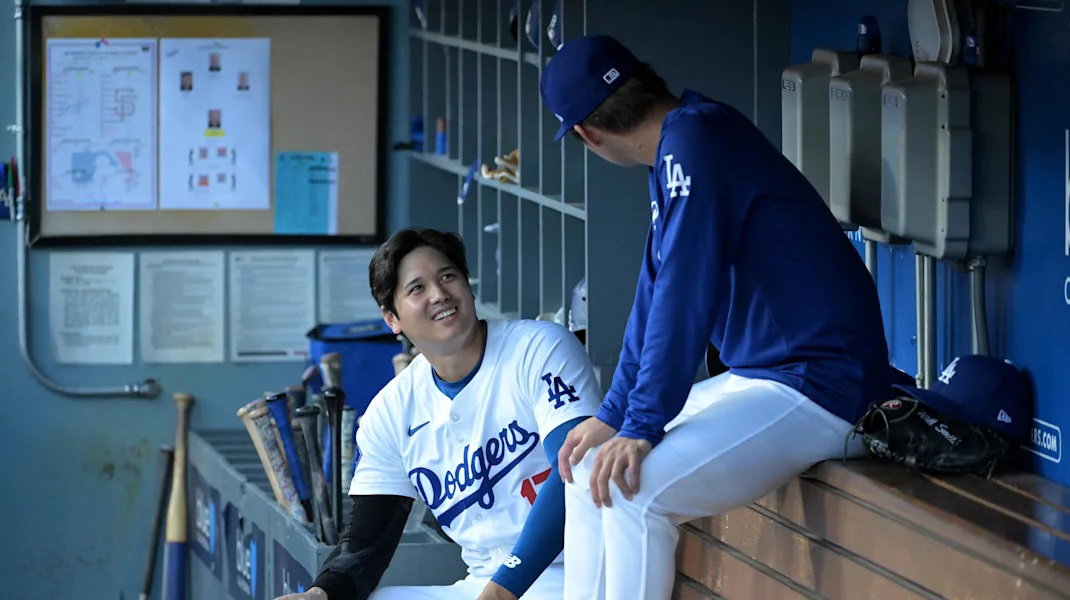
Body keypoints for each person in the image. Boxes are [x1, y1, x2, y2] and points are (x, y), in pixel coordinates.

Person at [539, 35, 909, 600]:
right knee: (591, 466)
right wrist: (617, 412)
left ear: (587, 134)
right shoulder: (679, 143)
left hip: (823, 386)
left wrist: (641, 424)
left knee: (634, 490)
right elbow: (654, 291)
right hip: (771, 377)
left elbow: (685, 293)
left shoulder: (696, 140)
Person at [275, 228, 601, 600]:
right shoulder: (390, 410)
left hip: (574, 571)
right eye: (416, 288)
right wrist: (320, 593)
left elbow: (576, 470)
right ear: (392, 319)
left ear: (468, 286)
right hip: (483, 580)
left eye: (448, 276)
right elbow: (366, 545)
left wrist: (502, 590)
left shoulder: (538, 347)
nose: (439, 294)